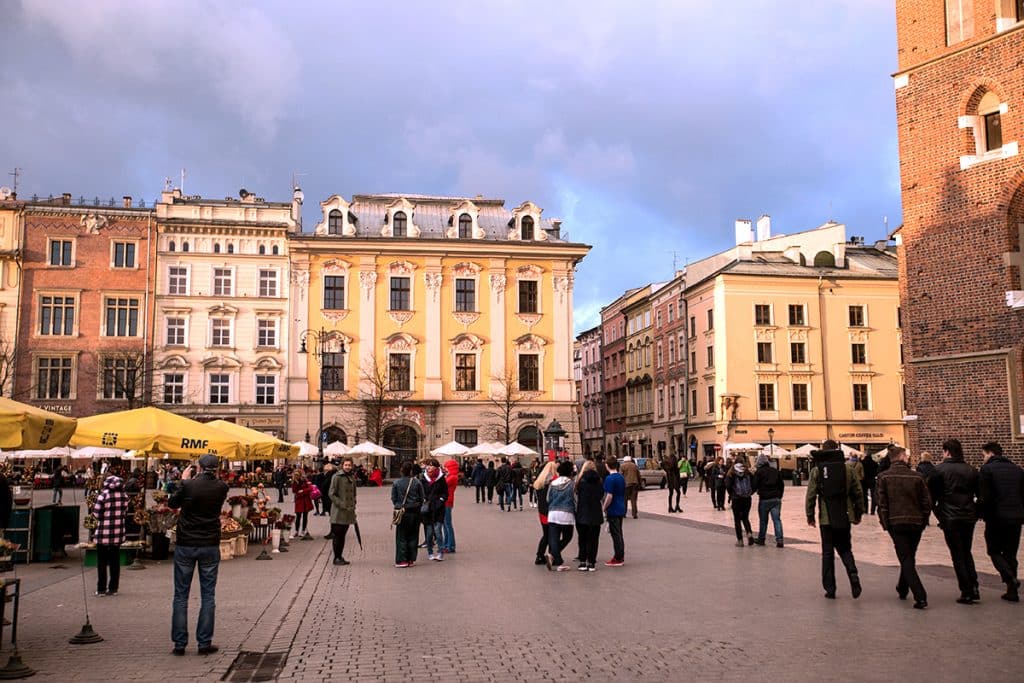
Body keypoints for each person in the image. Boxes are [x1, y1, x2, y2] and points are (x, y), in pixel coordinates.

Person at [168, 455, 229, 656]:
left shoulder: (188, 485)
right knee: (208, 595)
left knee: (180, 595)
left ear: (199, 468)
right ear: (216, 468)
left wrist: (183, 481)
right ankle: (204, 643)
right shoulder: (222, 487)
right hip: (209, 544)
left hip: (186, 544)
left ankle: (179, 644)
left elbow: (172, 503)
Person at [806, 440, 864, 600]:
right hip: (844, 515)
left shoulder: (817, 470)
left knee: (827, 553)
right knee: (845, 549)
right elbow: (858, 492)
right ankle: (852, 572)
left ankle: (830, 589)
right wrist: (858, 513)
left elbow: (811, 495)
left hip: (826, 518)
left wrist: (810, 515)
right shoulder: (848, 469)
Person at [876, 445, 931, 609]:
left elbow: (882, 503)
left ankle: (920, 595)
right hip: (916, 521)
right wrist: (923, 520)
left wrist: (885, 523)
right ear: (901, 457)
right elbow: (926, 501)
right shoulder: (917, 476)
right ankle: (902, 587)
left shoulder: (883, 477)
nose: (908, 458)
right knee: (909, 555)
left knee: (906, 557)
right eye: (906, 456)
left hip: (896, 522)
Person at [929, 438, 980, 604]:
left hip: (950, 516)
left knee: (957, 554)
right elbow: (980, 495)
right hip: (968, 515)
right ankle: (974, 586)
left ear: (946, 452)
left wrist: (939, 514)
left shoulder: (938, 470)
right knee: (966, 551)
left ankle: (966, 590)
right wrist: (975, 511)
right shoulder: (971, 470)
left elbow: (932, 497)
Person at [978, 441, 1024, 602]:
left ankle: (1009, 578)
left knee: (994, 550)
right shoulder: (1017, 470)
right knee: (1011, 554)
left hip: (996, 517)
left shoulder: (987, 470)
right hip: (1016, 517)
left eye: (984, 455)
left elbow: (985, 496)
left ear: (990, 453)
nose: (983, 458)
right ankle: (1012, 591)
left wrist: (981, 513)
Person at [92, 474, 129, 597]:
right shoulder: (124, 495)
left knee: (101, 562)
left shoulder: (104, 495)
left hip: (104, 532)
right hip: (118, 532)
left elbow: (96, 513)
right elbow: (125, 512)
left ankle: (101, 589)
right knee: (115, 561)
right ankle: (113, 588)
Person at [391, 462, 425, 568]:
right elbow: (422, 497)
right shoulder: (417, 482)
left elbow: (394, 498)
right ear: (411, 471)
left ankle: (402, 560)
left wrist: (399, 505)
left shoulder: (396, 483)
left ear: (401, 470)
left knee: (401, 536)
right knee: (413, 535)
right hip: (415, 511)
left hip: (402, 511)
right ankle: (411, 559)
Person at [545, 460, 576, 571]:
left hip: (553, 513)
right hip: (567, 513)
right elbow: (575, 498)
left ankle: (554, 557)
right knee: (567, 537)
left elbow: (548, 498)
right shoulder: (571, 484)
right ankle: (556, 558)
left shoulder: (553, 483)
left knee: (553, 538)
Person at [574, 460, 604, 572]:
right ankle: (591, 562)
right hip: (595, 513)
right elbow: (601, 495)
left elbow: (577, 494)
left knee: (582, 538)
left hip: (582, 512)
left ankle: (582, 561)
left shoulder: (580, 481)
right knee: (594, 539)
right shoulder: (599, 481)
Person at [328, 457, 357, 566]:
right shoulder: (337, 477)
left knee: (343, 535)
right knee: (337, 535)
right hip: (338, 512)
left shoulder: (351, 477)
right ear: (342, 465)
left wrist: (353, 504)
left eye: (349, 465)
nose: (348, 467)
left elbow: (354, 493)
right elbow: (331, 494)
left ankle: (340, 556)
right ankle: (336, 558)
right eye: (346, 465)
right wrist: (341, 503)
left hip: (348, 512)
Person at [752, 454, 785, 547]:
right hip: (776, 499)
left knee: (763, 521)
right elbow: (781, 485)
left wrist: (749, 493)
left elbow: (754, 485)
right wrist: (779, 496)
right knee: (777, 520)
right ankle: (780, 540)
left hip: (764, 499)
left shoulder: (759, 472)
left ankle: (761, 539)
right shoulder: (775, 471)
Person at [420, 459, 448, 561]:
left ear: (436, 467)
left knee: (438, 531)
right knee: (429, 533)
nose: (428, 467)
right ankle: (430, 552)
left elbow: (445, 493)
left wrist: (441, 500)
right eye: (428, 465)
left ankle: (440, 552)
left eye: (431, 465)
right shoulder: (423, 479)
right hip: (428, 509)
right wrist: (423, 500)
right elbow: (420, 492)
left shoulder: (441, 478)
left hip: (439, 508)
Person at [602, 456, 626, 566]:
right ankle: (620, 555)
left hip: (613, 508)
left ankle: (618, 557)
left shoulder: (609, 479)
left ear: (607, 465)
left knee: (615, 534)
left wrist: (604, 507)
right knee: (619, 533)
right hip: (621, 506)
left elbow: (609, 496)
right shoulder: (621, 477)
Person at [726, 458, 755, 547]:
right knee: (745, 517)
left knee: (737, 519)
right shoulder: (748, 472)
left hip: (736, 499)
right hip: (747, 498)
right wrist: (750, 493)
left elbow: (728, 486)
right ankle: (749, 533)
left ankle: (740, 540)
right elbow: (754, 484)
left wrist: (731, 495)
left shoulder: (731, 473)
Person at [533, 460, 557, 565]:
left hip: (542, 511)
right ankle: (551, 556)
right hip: (550, 510)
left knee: (546, 534)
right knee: (552, 535)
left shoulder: (540, 482)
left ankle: (540, 555)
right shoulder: (552, 481)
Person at [441, 459, 459, 554]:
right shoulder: (450, 476)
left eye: (446, 467)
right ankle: (446, 544)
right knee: (445, 524)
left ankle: (451, 545)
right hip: (446, 501)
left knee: (447, 524)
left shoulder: (452, 477)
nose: (445, 469)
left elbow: (443, 484)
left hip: (448, 501)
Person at [291, 472, 315, 540]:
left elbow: (310, 488)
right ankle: (296, 531)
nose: (296, 476)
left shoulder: (305, 480)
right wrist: (296, 484)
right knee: (298, 516)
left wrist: (302, 491)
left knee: (305, 516)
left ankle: (303, 530)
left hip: (305, 501)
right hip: (299, 500)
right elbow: (294, 491)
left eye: (297, 475)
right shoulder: (294, 482)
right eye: (295, 475)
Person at [620, 455, 642, 519]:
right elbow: (639, 475)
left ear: (624, 460)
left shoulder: (622, 466)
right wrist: (640, 483)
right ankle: (634, 514)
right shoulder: (635, 466)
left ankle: (624, 513)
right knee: (633, 500)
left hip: (626, 485)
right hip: (635, 484)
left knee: (624, 500)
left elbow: (620, 475)